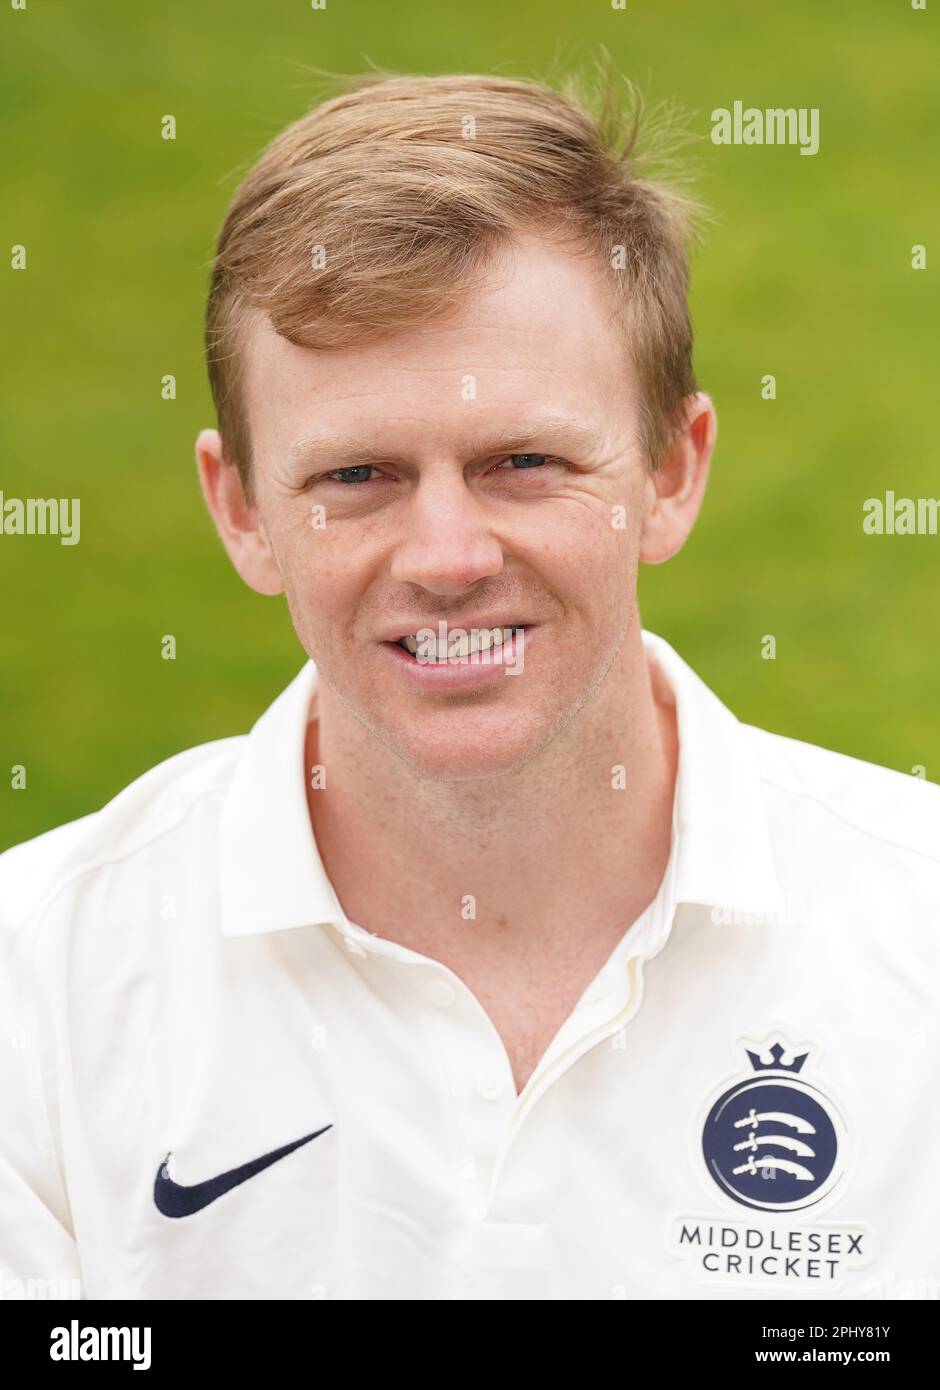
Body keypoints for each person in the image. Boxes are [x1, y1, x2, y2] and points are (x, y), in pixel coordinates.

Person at [1, 71, 937, 1302]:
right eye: (357, 476)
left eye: (523, 461)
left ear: (669, 471)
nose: (447, 559)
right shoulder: (35, 987)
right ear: (241, 511)